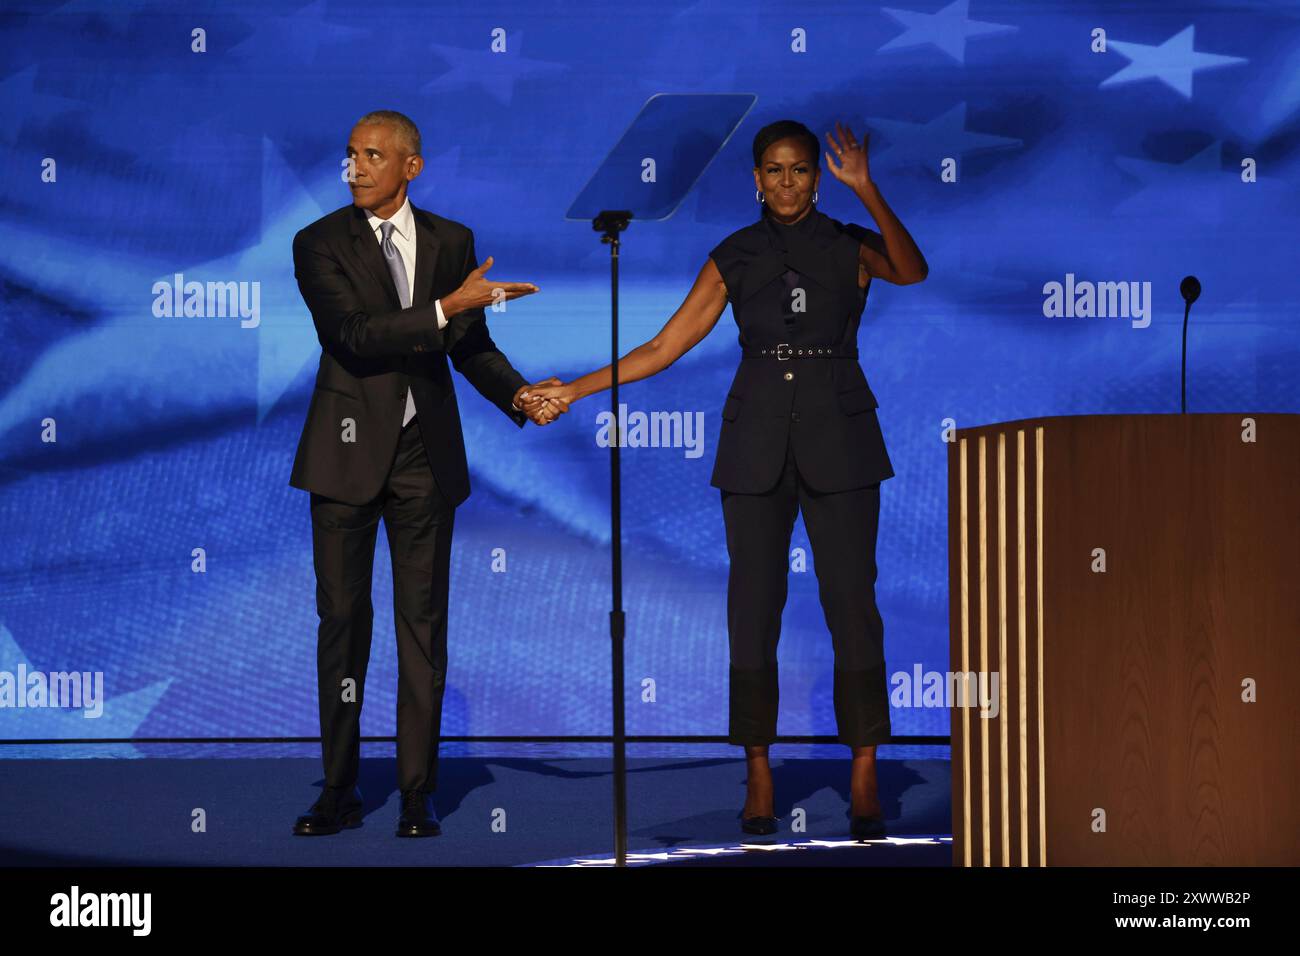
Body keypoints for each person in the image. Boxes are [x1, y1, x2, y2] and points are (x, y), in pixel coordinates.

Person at [528, 119, 927, 838]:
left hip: (841, 439)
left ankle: (865, 763)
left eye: (800, 170)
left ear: (815, 176)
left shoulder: (848, 246)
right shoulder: (735, 254)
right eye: (773, 170)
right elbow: (664, 345)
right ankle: (759, 767)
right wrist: (575, 389)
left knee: (851, 606)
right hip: (756, 445)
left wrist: (866, 190)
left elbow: (911, 269)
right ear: (754, 179)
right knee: (753, 609)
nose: (786, 182)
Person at [287, 109, 563, 838]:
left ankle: (416, 792)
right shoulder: (317, 243)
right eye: (349, 155)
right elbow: (354, 334)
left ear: (411, 166)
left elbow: (467, 344)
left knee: (422, 628)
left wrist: (519, 394)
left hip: (423, 458)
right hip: (345, 455)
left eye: (372, 155)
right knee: (343, 626)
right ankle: (339, 792)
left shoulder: (451, 241)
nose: (355, 168)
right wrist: (446, 306)